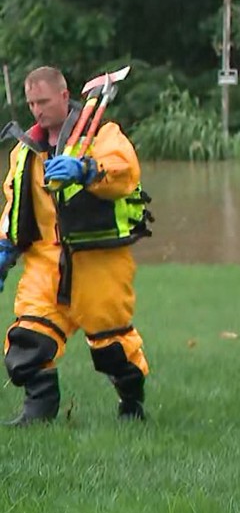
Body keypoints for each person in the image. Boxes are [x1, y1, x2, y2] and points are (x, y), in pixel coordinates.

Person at [0, 66, 154, 425]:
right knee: (29, 333)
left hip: (97, 256)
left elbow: (124, 171)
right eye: (31, 103)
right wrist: (5, 248)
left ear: (64, 95)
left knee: (112, 341)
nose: (37, 109)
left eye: (44, 101)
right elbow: (15, 203)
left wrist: (86, 170)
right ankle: (38, 411)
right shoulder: (24, 151)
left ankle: (131, 401)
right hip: (45, 260)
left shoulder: (101, 133)